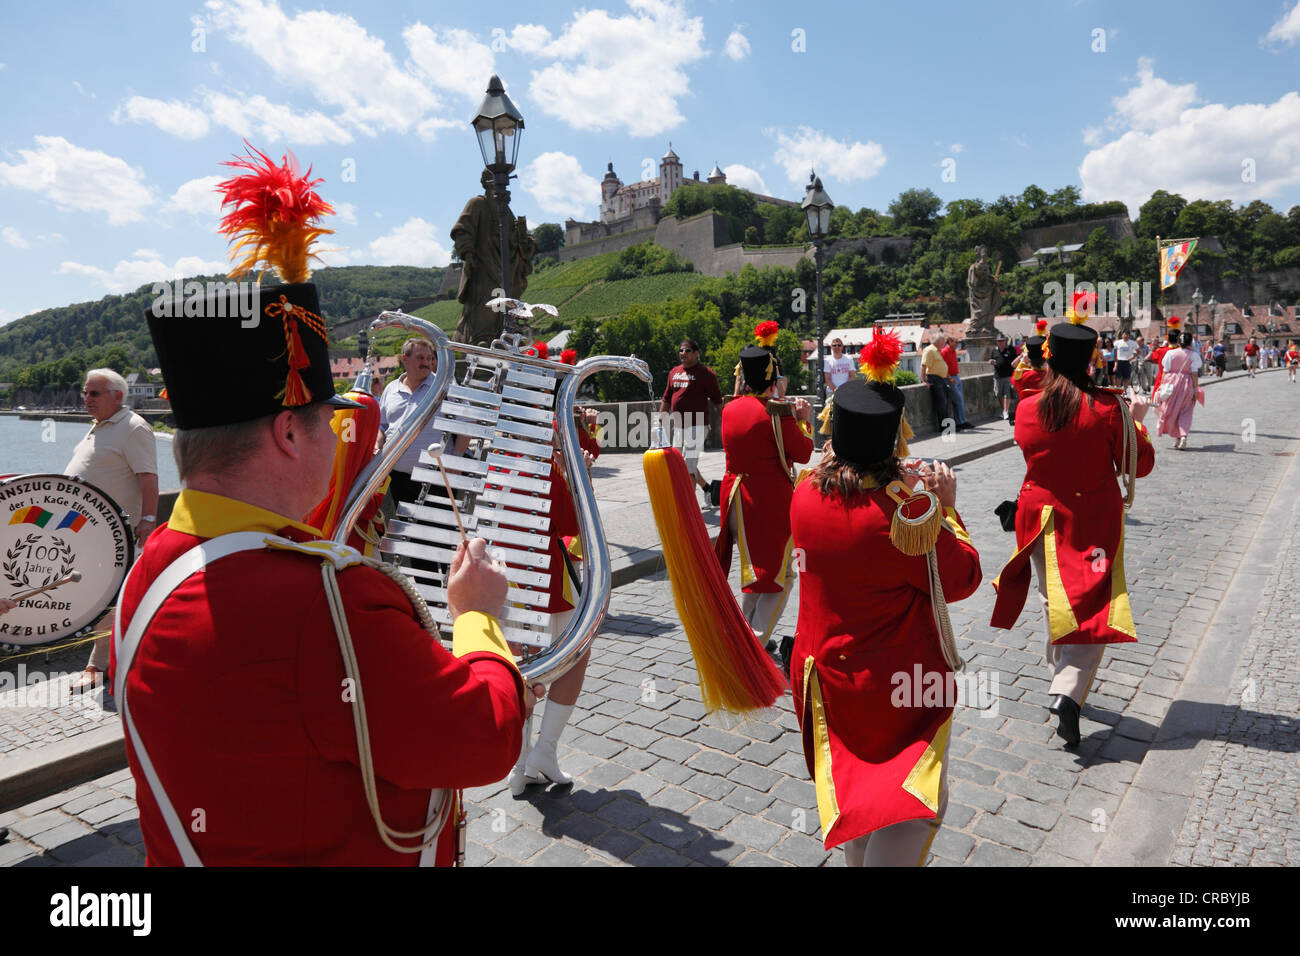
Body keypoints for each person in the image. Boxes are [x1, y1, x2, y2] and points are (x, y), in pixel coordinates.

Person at [119, 282, 529, 865]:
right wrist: (479, 619)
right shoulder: (328, 602)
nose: (338, 443)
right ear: (288, 433)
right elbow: (484, 737)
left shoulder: (153, 562)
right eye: (326, 425)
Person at [790, 367, 981, 866]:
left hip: (825, 676)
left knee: (857, 801)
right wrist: (945, 507)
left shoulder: (804, 493)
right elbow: (963, 578)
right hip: (894, 687)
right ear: (895, 440)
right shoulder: (906, 516)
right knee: (916, 803)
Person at [990, 322, 1155, 747]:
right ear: (1091, 362)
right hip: (1090, 519)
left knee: (1054, 602)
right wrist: (1136, 421)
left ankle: (1059, 682)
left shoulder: (1028, 407)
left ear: (1048, 358)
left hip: (1040, 518)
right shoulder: (1107, 409)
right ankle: (1067, 692)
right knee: (1094, 608)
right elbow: (1141, 464)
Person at [509, 408, 602, 794]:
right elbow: (576, 526)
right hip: (544, 582)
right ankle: (543, 752)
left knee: (523, 671)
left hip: (509, 585)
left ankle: (519, 768)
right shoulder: (544, 466)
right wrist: (578, 476)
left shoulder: (503, 459)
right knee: (572, 659)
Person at [65, 368, 158, 693]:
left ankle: (98, 665)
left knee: (108, 599)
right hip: (85, 532)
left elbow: (148, 476)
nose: (86, 399)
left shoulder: (132, 428)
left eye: (94, 394)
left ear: (118, 396)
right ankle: (113, 658)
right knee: (95, 596)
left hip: (115, 534)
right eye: (85, 392)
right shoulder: (99, 426)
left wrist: (148, 519)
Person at [716, 346, 813, 648]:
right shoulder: (777, 411)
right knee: (780, 576)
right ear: (773, 378)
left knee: (755, 571)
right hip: (767, 503)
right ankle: (753, 644)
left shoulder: (730, 407)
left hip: (735, 500)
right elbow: (804, 451)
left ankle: (744, 630)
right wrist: (803, 419)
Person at [377, 337, 468, 510]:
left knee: (437, 533)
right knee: (407, 533)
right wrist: (377, 445)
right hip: (398, 478)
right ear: (405, 358)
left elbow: (465, 424)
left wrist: (457, 459)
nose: (426, 362)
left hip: (436, 478)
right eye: (420, 358)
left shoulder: (445, 386)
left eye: (429, 358)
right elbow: (382, 426)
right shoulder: (391, 389)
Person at [659, 339, 724, 507]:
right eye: (681, 350)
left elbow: (717, 399)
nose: (683, 353)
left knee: (688, 464)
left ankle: (687, 506)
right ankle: (708, 489)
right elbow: (667, 397)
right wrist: (661, 417)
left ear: (696, 353)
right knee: (681, 463)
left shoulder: (706, 374)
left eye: (687, 350)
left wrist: (726, 420)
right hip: (679, 426)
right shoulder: (674, 372)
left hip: (698, 425)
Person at [1156, 331, 1203, 450]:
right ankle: (1182, 436)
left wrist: (1161, 386)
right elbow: (1195, 374)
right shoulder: (1193, 355)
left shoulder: (1170, 353)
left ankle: (1178, 437)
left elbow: (1165, 371)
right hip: (1187, 384)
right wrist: (1196, 389)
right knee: (1185, 411)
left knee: (1172, 411)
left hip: (1171, 384)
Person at [920, 334, 952, 431]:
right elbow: (923, 366)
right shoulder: (930, 350)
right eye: (943, 342)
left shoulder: (937, 351)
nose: (945, 344)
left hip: (941, 379)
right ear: (938, 342)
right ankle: (943, 427)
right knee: (941, 403)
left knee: (944, 402)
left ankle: (946, 425)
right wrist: (924, 380)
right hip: (934, 379)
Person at [941, 336, 972, 431]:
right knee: (958, 400)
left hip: (956, 377)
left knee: (960, 400)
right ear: (949, 341)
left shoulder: (953, 351)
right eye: (956, 342)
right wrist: (950, 378)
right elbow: (943, 367)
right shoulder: (944, 352)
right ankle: (960, 422)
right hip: (950, 378)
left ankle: (961, 421)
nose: (957, 344)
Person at [990, 333, 1019, 424]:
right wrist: (991, 361)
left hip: (1008, 375)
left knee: (1007, 394)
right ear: (997, 342)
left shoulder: (1010, 350)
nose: (1001, 343)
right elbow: (991, 359)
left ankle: (1005, 411)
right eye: (999, 341)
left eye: (1002, 341)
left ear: (1005, 341)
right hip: (998, 376)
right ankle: (1004, 410)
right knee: (998, 394)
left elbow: (1016, 360)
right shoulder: (994, 351)